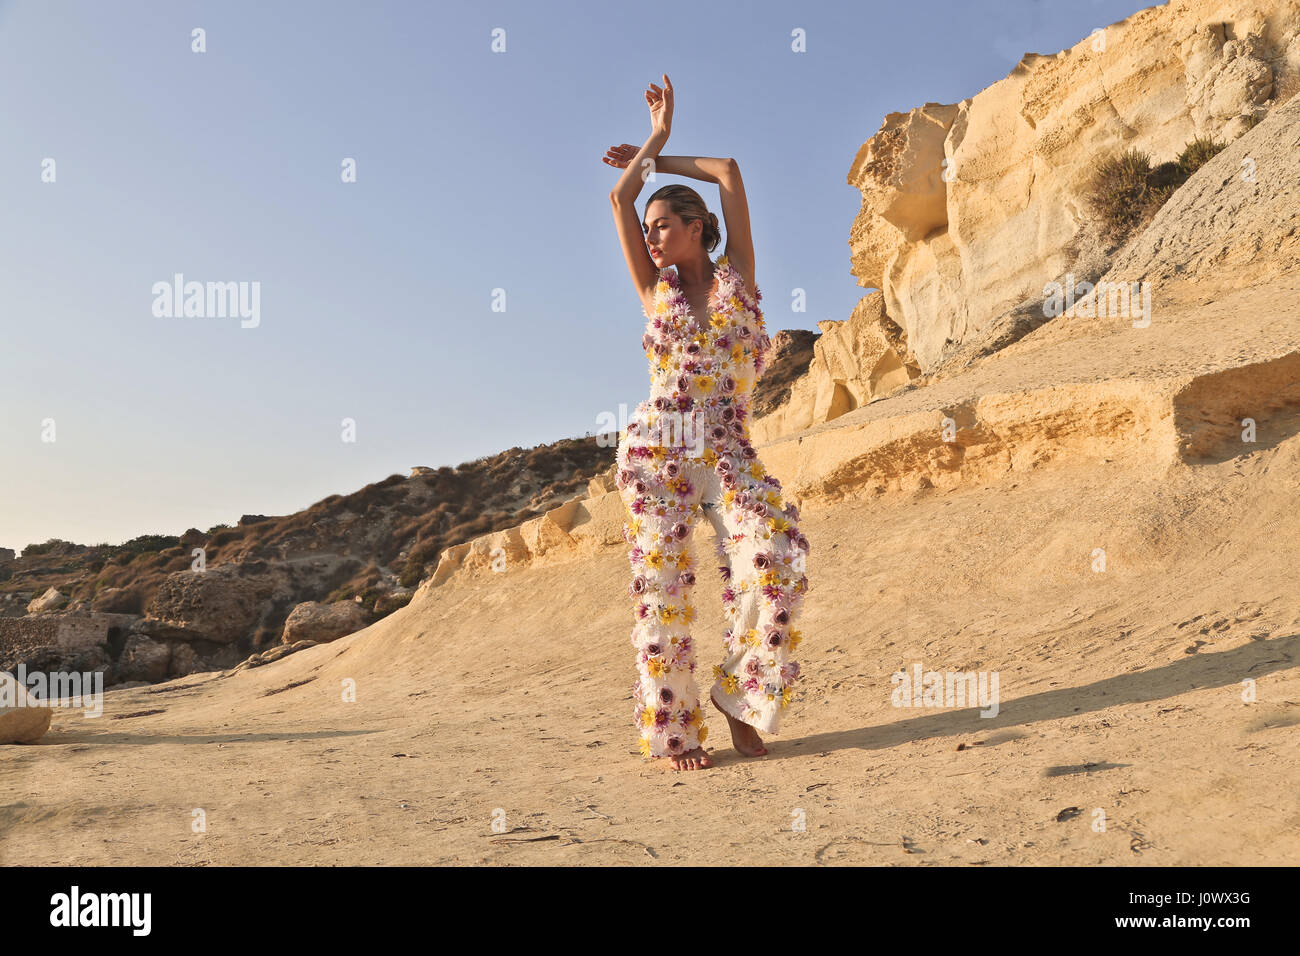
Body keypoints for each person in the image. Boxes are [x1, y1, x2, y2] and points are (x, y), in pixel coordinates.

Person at [605, 74, 812, 771]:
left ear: (698, 228)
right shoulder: (650, 289)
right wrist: (650, 146)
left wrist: (664, 152)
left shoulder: (740, 279)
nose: (652, 236)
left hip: (728, 447)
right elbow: (617, 197)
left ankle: (740, 700)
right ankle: (676, 733)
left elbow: (727, 173)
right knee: (661, 593)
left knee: (778, 558)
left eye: (664, 225)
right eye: (647, 229)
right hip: (657, 449)